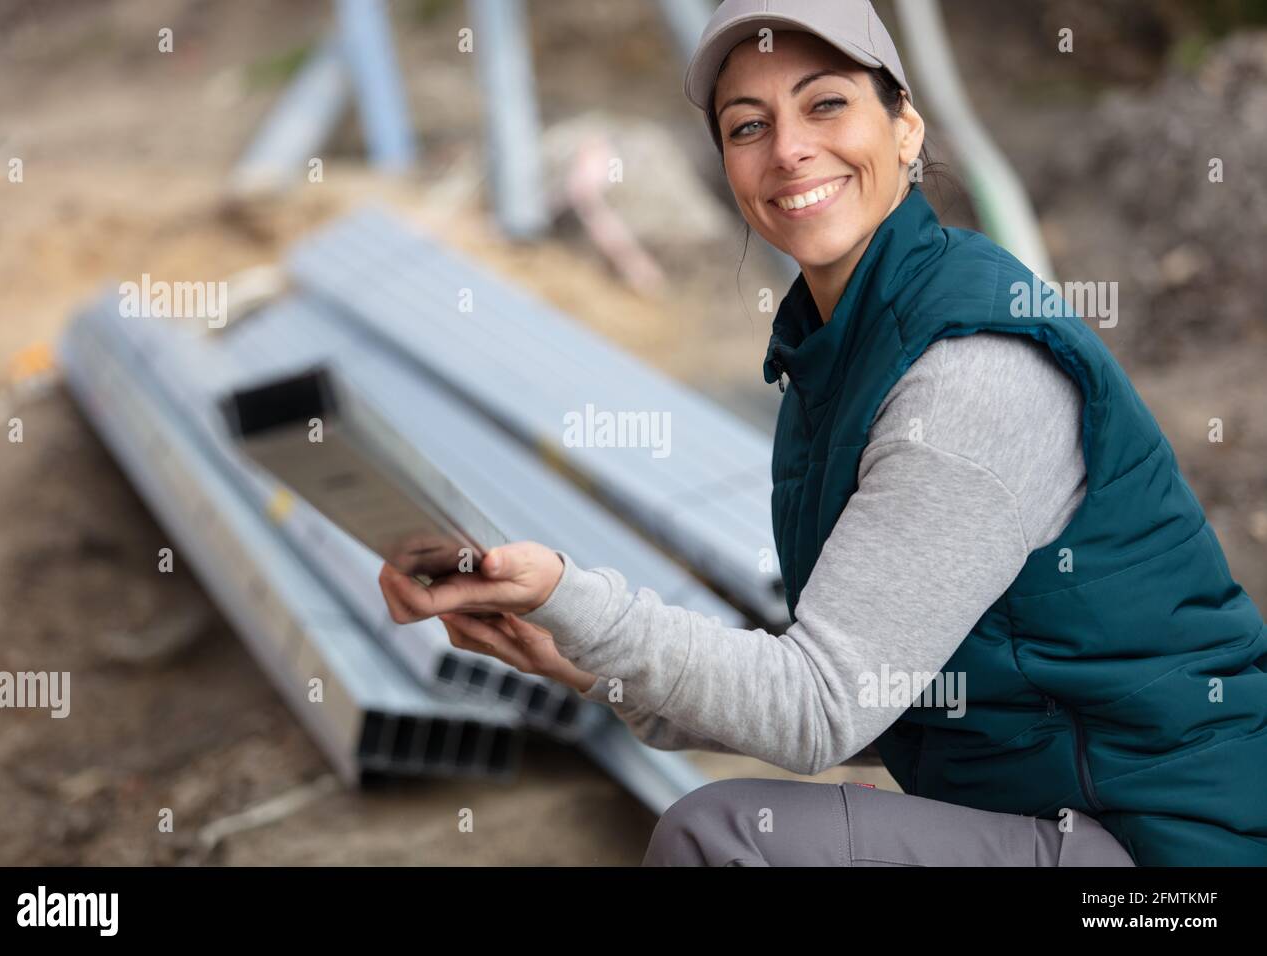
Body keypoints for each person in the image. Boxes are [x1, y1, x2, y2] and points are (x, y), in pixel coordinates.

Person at [379, 0, 1267, 866]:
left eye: (827, 103)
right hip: (1073, 818)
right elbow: (880, 687)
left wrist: (575, 595)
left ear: (907, 128)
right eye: (746, 125)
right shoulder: (837, 354)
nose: (790, 148)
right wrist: (576, 655)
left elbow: (818, 707)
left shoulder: (968, 373)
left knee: (722, 836)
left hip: (1166, 855)